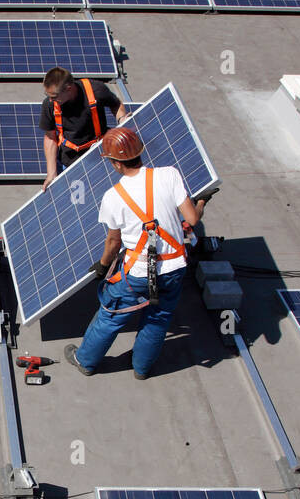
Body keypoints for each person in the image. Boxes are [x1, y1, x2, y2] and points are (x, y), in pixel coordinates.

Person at [64, 126, 207, 379]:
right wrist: (202, 201)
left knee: (110, 314)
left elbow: (113, 241)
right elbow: (192, 219)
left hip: (138, 273)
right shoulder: (169, 175)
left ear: (116, 163)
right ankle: (141, 368)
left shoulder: (113, 197)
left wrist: (102, 265)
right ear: (140, 152)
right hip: (174, 268)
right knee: (158, 318)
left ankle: (85, 361)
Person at [39, 67, 129, 190]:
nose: (50, 100)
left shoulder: (95, 90)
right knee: (79, 203)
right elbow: (50, 137)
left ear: (68, 89)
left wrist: (122, 120)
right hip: (70, 161)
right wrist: (51, 173)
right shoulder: (49, 105)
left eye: (54, 96)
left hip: (100, 155)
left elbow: (116, 104)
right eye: (48, 95)